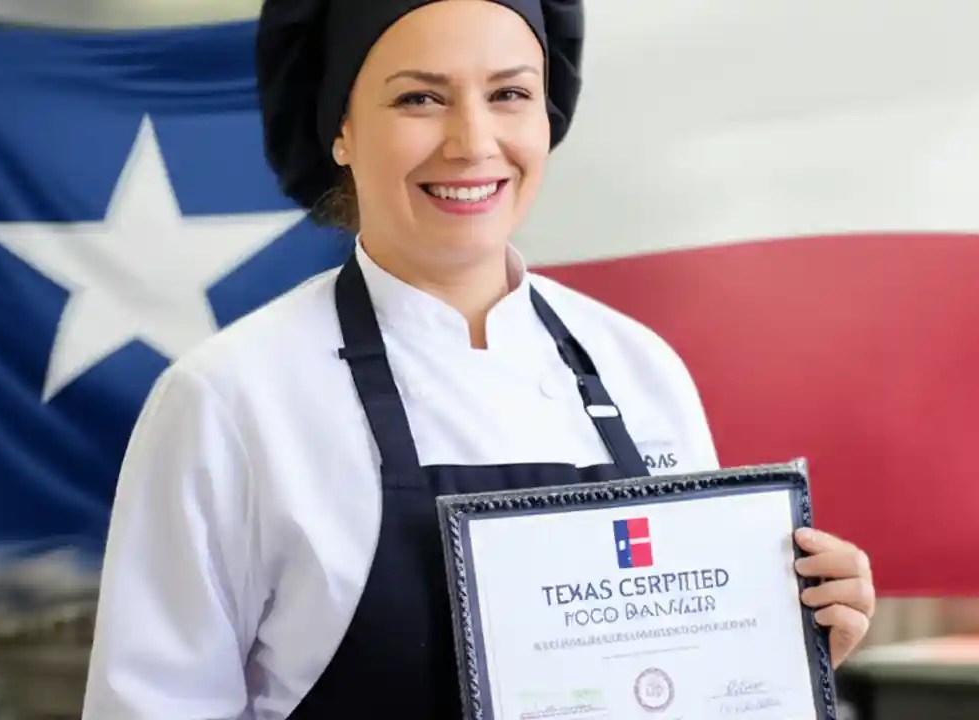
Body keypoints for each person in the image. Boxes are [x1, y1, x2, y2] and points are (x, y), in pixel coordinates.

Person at [81, 0, 877, 717]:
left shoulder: (640, 369)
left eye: (509, 94)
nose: (473, 141)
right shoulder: (230, 399)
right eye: (419, 97)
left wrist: (771, 653)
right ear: (341, 128)